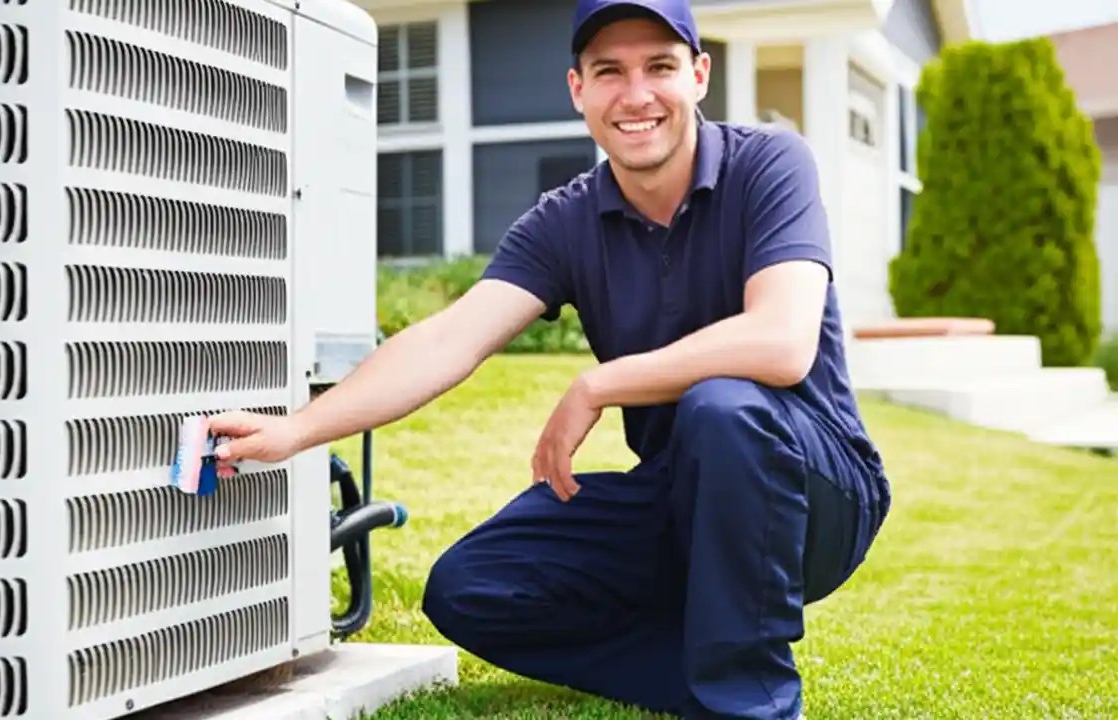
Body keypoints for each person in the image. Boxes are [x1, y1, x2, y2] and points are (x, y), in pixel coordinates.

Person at [207, 0, 891, 717]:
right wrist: (295, 430)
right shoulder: (566, 220)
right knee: (472, 585)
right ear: (578, 90)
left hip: (817, 492)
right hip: (680, 496)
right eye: (609, 72)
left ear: (698, 74)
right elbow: (449, 339)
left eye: (659, 67)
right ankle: (698, 666)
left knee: (722, 406)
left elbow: (780, 341)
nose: (636, 95)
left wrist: (600, 383)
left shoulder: (768, 165)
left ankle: (747, 699)